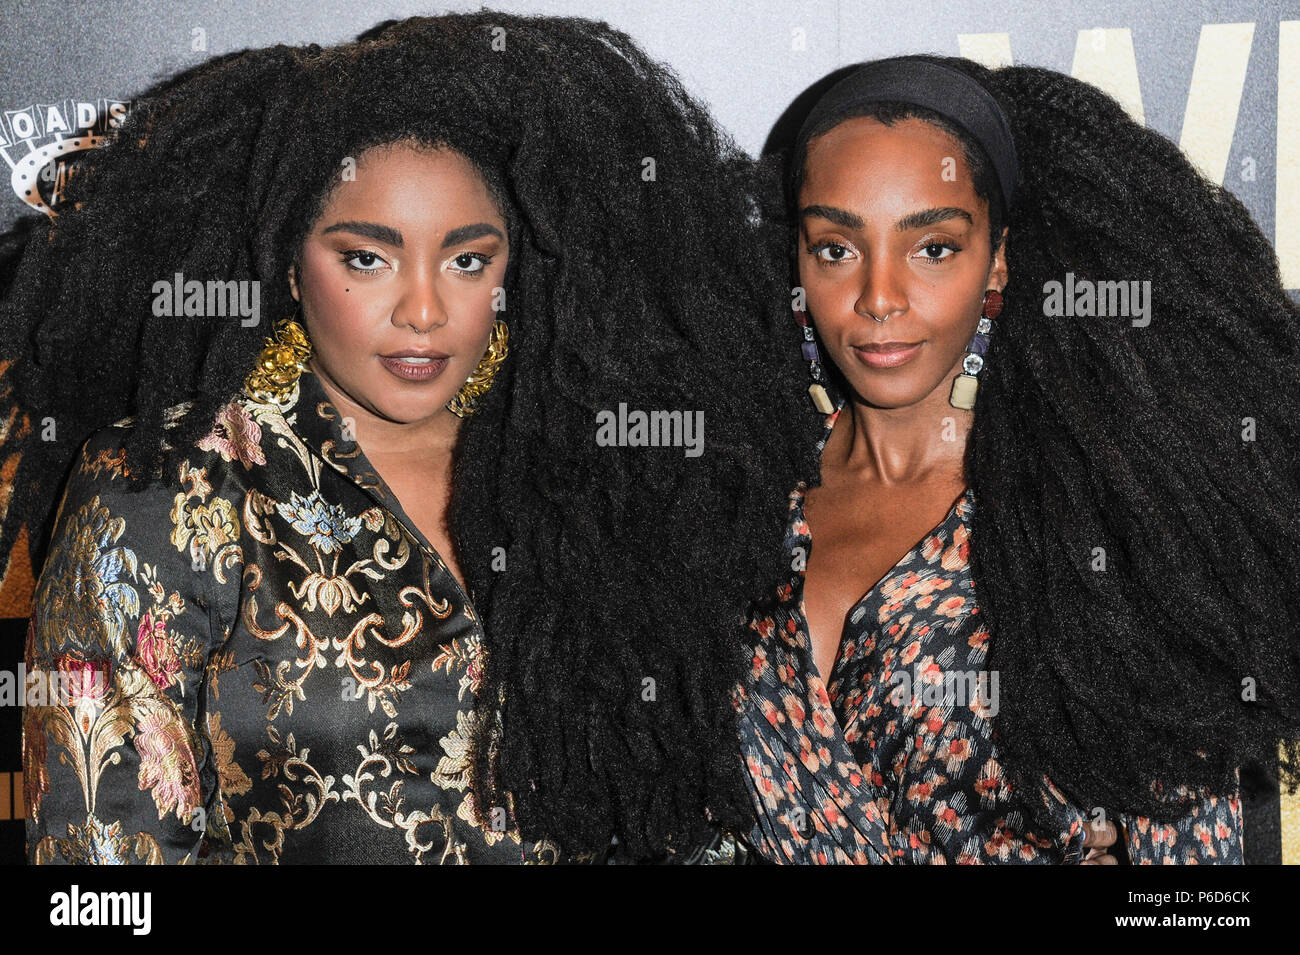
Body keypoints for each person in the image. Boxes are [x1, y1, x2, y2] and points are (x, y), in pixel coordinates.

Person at [4, 13, 810, 864]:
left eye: (467, 260)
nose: (423, 312)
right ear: (289, 261)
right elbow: (97, 866)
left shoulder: (600, 471)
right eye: (367, 258)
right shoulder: (172, 484)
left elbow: (688, 817)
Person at [731, 54, 1300, 863]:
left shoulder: (1098, 523)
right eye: (836, 248)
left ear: (997, 260)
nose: (880, 296)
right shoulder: (725, 508)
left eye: (932, 247)